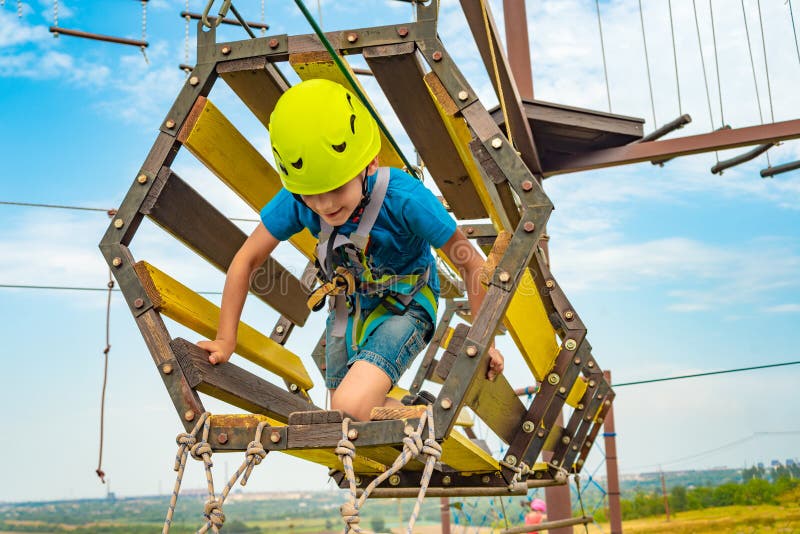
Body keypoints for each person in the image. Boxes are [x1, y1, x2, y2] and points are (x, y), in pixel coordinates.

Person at [198, 79, 503, 421]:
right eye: (310, 194)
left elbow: (472, 263)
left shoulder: (404, 198)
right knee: (341, 418)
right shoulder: (301, 195)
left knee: (347, 409)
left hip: (408, 306)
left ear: (369, 164)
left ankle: (436, 417)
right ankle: (416, 414)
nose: (324, 204)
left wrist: (485, 342)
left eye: (336, 188)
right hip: (351, 310)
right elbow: (246, 258)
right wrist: (226, 339)